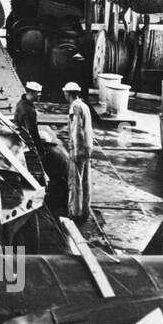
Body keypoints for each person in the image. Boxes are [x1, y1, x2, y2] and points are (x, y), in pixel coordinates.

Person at [64, 81, 94, 224]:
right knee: (86, 181)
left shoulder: (75, 107)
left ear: (68, 94)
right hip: (87, 148)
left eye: (65, 93)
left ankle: (75, 213)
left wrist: (75, 150)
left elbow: (77, 129)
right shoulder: (84, 106)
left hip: (79, 149)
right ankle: (85, 210)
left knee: (75, 182)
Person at [12, 80, 43, 151]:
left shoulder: (21, 102)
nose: (40, 94)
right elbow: (32, 132)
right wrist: (40, 150)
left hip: (20, 135)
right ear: (31, 93)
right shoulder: (29, 110)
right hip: (25, 140)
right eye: (38, 93)